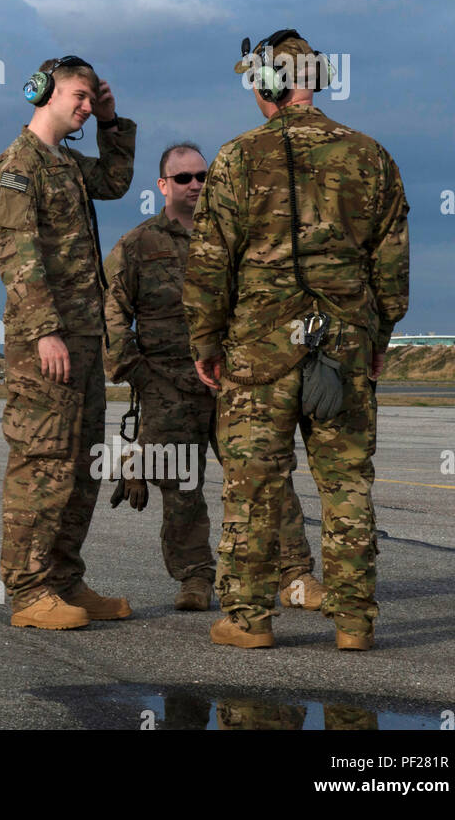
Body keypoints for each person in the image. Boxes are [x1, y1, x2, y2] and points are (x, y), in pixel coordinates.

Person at [184, 30, 409, 650]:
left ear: (271, 84)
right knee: (347, 485)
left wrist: (205, 341)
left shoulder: (236, 157)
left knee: (251, 486)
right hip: (345, 345)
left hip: (259, 351)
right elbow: (391, 263)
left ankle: (250, 620)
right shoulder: (370, 156)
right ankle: (355, 621)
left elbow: (209, 263)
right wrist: (379, 334)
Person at [105, 143, 328, 613]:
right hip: (168, 389)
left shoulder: (237, 238)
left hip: (237, 384)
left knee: (265, 477)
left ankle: (295, 575)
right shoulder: (138, 245)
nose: (194, 185)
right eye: (182, 178)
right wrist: (139, 375)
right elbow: (110, 316)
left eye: (202, 176)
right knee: (181, 490)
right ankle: (194, 578)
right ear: (162, 185)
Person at [0, 56, 136, 629]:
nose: (86, 105)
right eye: (79, 95)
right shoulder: (18, 167)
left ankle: (65, 578)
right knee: (42, 460)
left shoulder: (67, 164)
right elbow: (19, 256)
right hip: (43, 342)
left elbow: (117, 182)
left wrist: (111, 121)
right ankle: (28, 591)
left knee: (81, 464)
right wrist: (46, 331)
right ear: (43, 92)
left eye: (92, 97)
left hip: (83, 339)